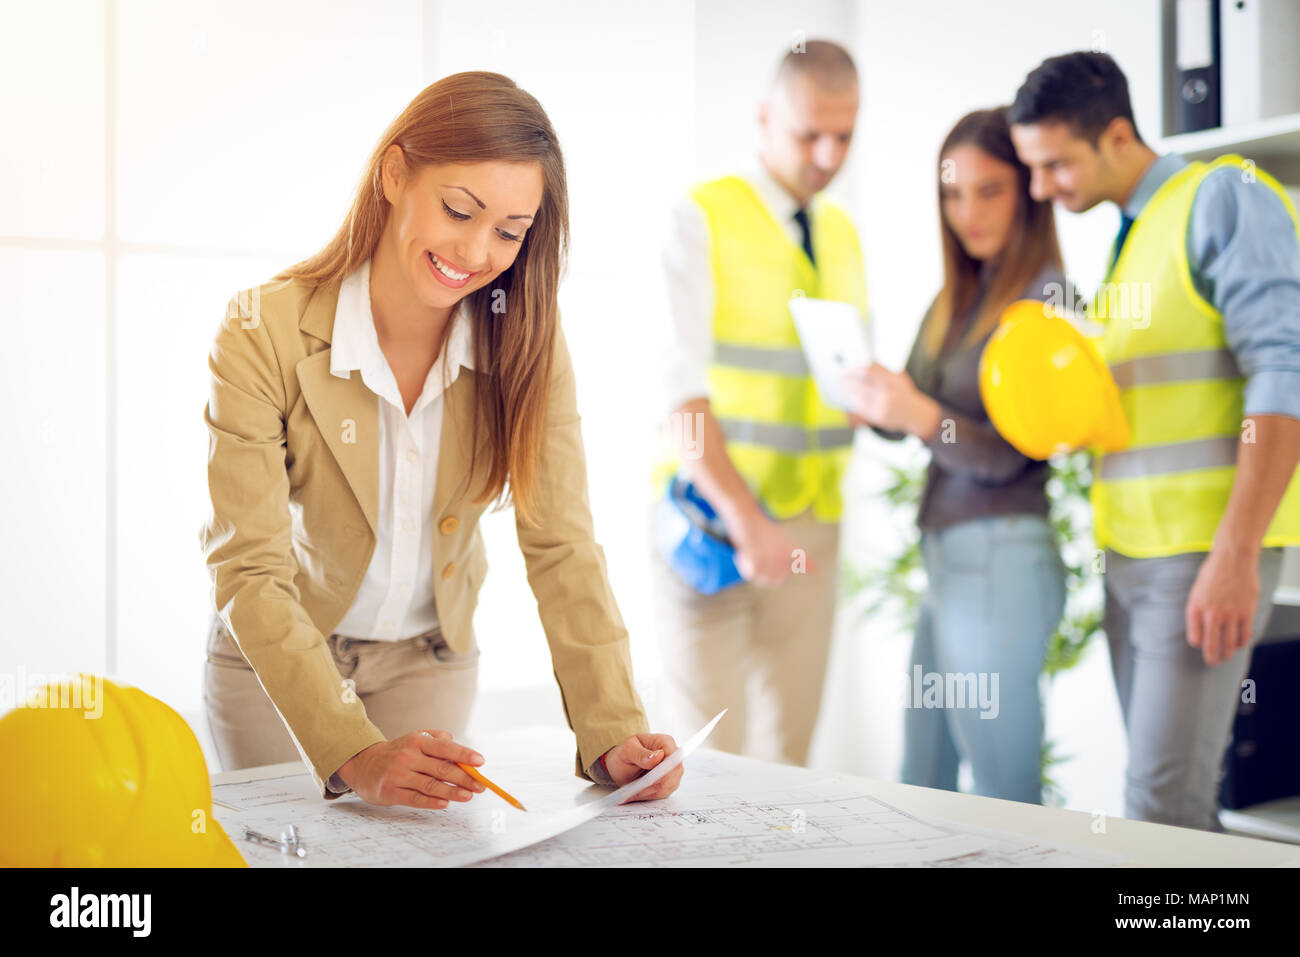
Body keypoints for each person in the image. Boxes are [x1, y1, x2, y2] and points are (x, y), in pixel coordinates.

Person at [200, 71, 683, 807]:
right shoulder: (261, 329)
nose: (476, 250)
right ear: (395, 174)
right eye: (459, 209)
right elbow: (249, 568)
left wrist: (613, 727)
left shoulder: (529, 347)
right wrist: (351, 751)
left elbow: (562, 546)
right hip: (275, 668)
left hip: (428, 662)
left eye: (510, 232)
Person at [1008, 51, 1300, 830]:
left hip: (1202, 557)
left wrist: (1236, 554)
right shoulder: (1130, 240)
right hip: (1131, 559)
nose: (1042, 189)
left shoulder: (1223, 196)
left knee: (1157, 807)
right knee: (1180, 807)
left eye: (1056, 165)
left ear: (1115, 135)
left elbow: (1284, 371)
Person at [844, 107, 1069, 804]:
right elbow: (914, 410)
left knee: (1006, 790)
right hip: (950, 557)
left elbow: (1013, 453)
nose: (967, 211)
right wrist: (878, 400)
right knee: (924, 781)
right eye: (952, 193)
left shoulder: (1046, 296)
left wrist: (918, 413)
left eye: (988, 189)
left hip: (1000, 554)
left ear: (1029, 188)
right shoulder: (956, 297)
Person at [651, 39, 867, 765]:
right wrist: (746, 521)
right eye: (810, 134)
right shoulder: (701, 217)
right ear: (765, 117)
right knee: (704, 763)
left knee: (787, 765)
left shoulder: (840, 231)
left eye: (845, 134)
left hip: (812, 528)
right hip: (714, 522)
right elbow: (679, 394)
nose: (829, 155)